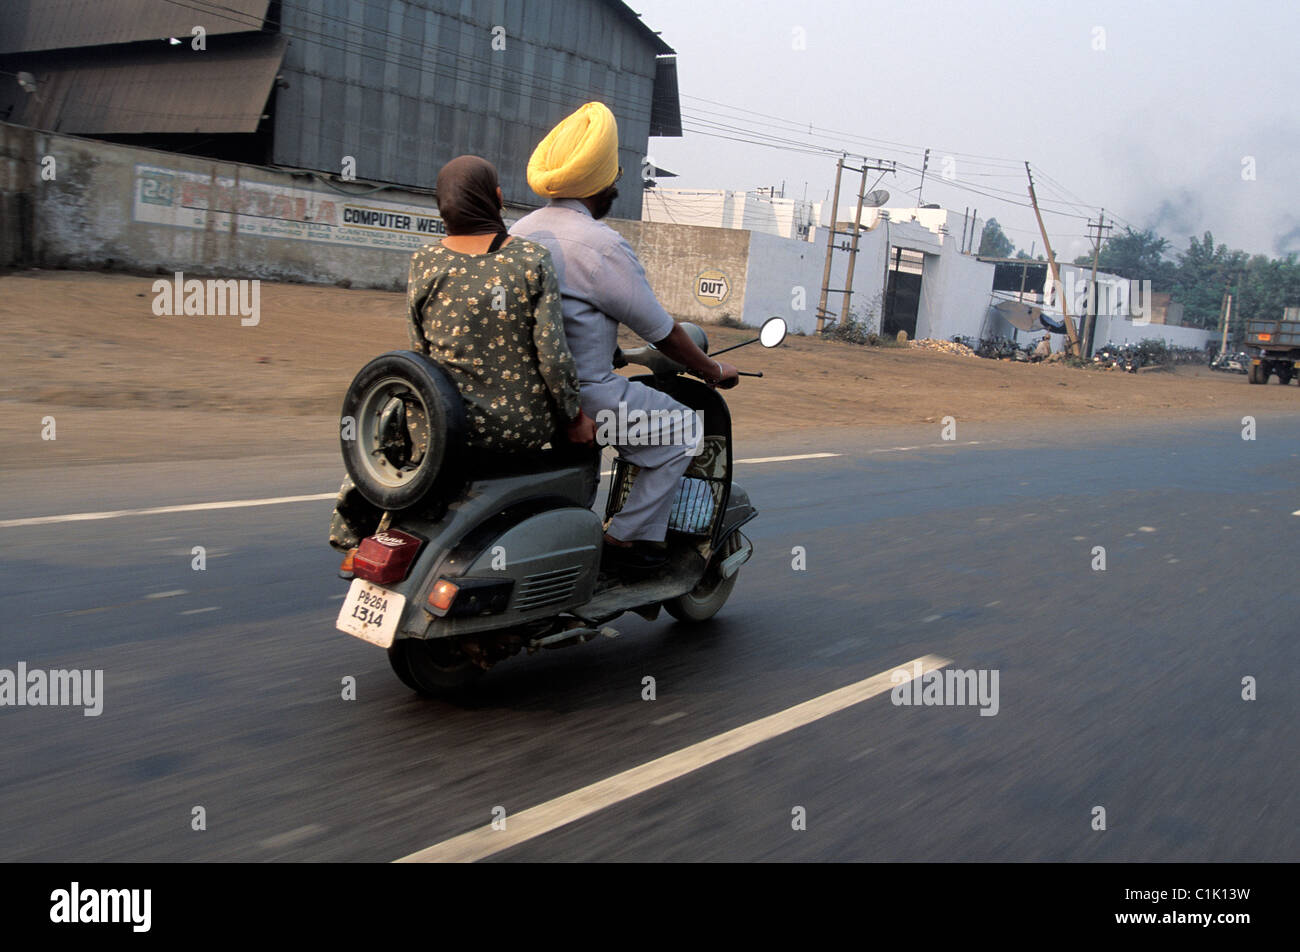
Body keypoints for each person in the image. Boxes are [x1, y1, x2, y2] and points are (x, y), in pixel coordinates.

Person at [510, 102, 740, 576]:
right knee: (681, 431)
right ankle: (628, 540)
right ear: (601, 186)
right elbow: (665, 333)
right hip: (588, 399)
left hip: (525, 397)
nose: (616, 185)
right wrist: (713, 370)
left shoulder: (518, 232)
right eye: (613, 178)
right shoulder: (602, 245)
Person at [330, 155, 595, 554]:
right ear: (499, 198)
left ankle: (354, 531)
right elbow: (554, 359)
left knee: (389, 425)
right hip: (517, 429)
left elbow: (419, 355)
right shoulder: (530, 259)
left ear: (443, 207)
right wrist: (574, 417)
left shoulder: (425, 261)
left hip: (439, 431)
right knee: (588, 442)